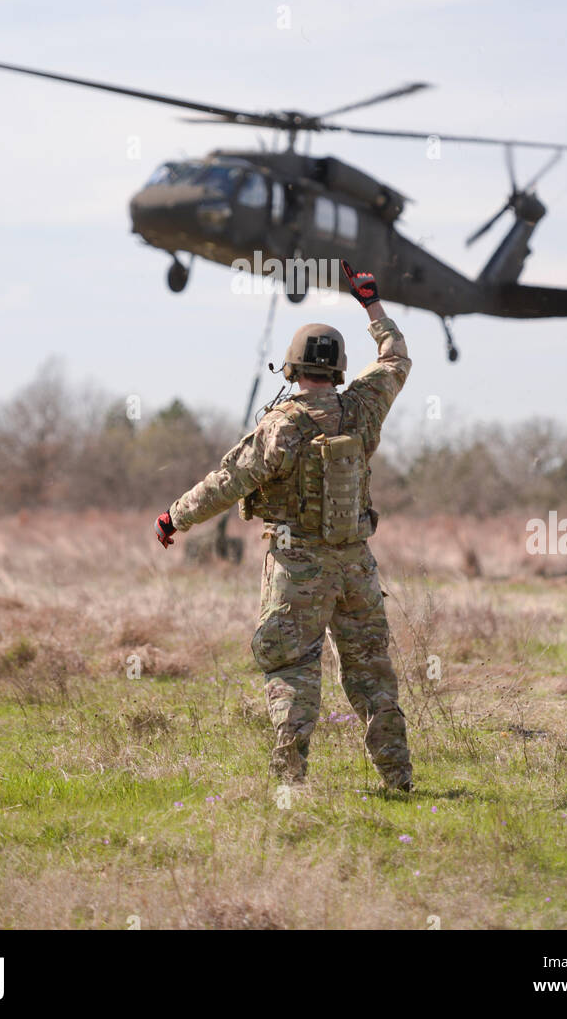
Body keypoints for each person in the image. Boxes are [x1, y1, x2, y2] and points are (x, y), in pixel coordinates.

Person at [155, 261, 413, 792]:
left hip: (297, 566)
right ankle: (397, 777)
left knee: (292, 667)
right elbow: (396, 358)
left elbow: (226, 482)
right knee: (371, 672)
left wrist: (173, 518)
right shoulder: (363, 407)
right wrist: (371, 304)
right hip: (356, 563)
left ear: (291, 369)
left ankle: (291, 781)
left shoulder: (281, 426)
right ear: (340, 368)